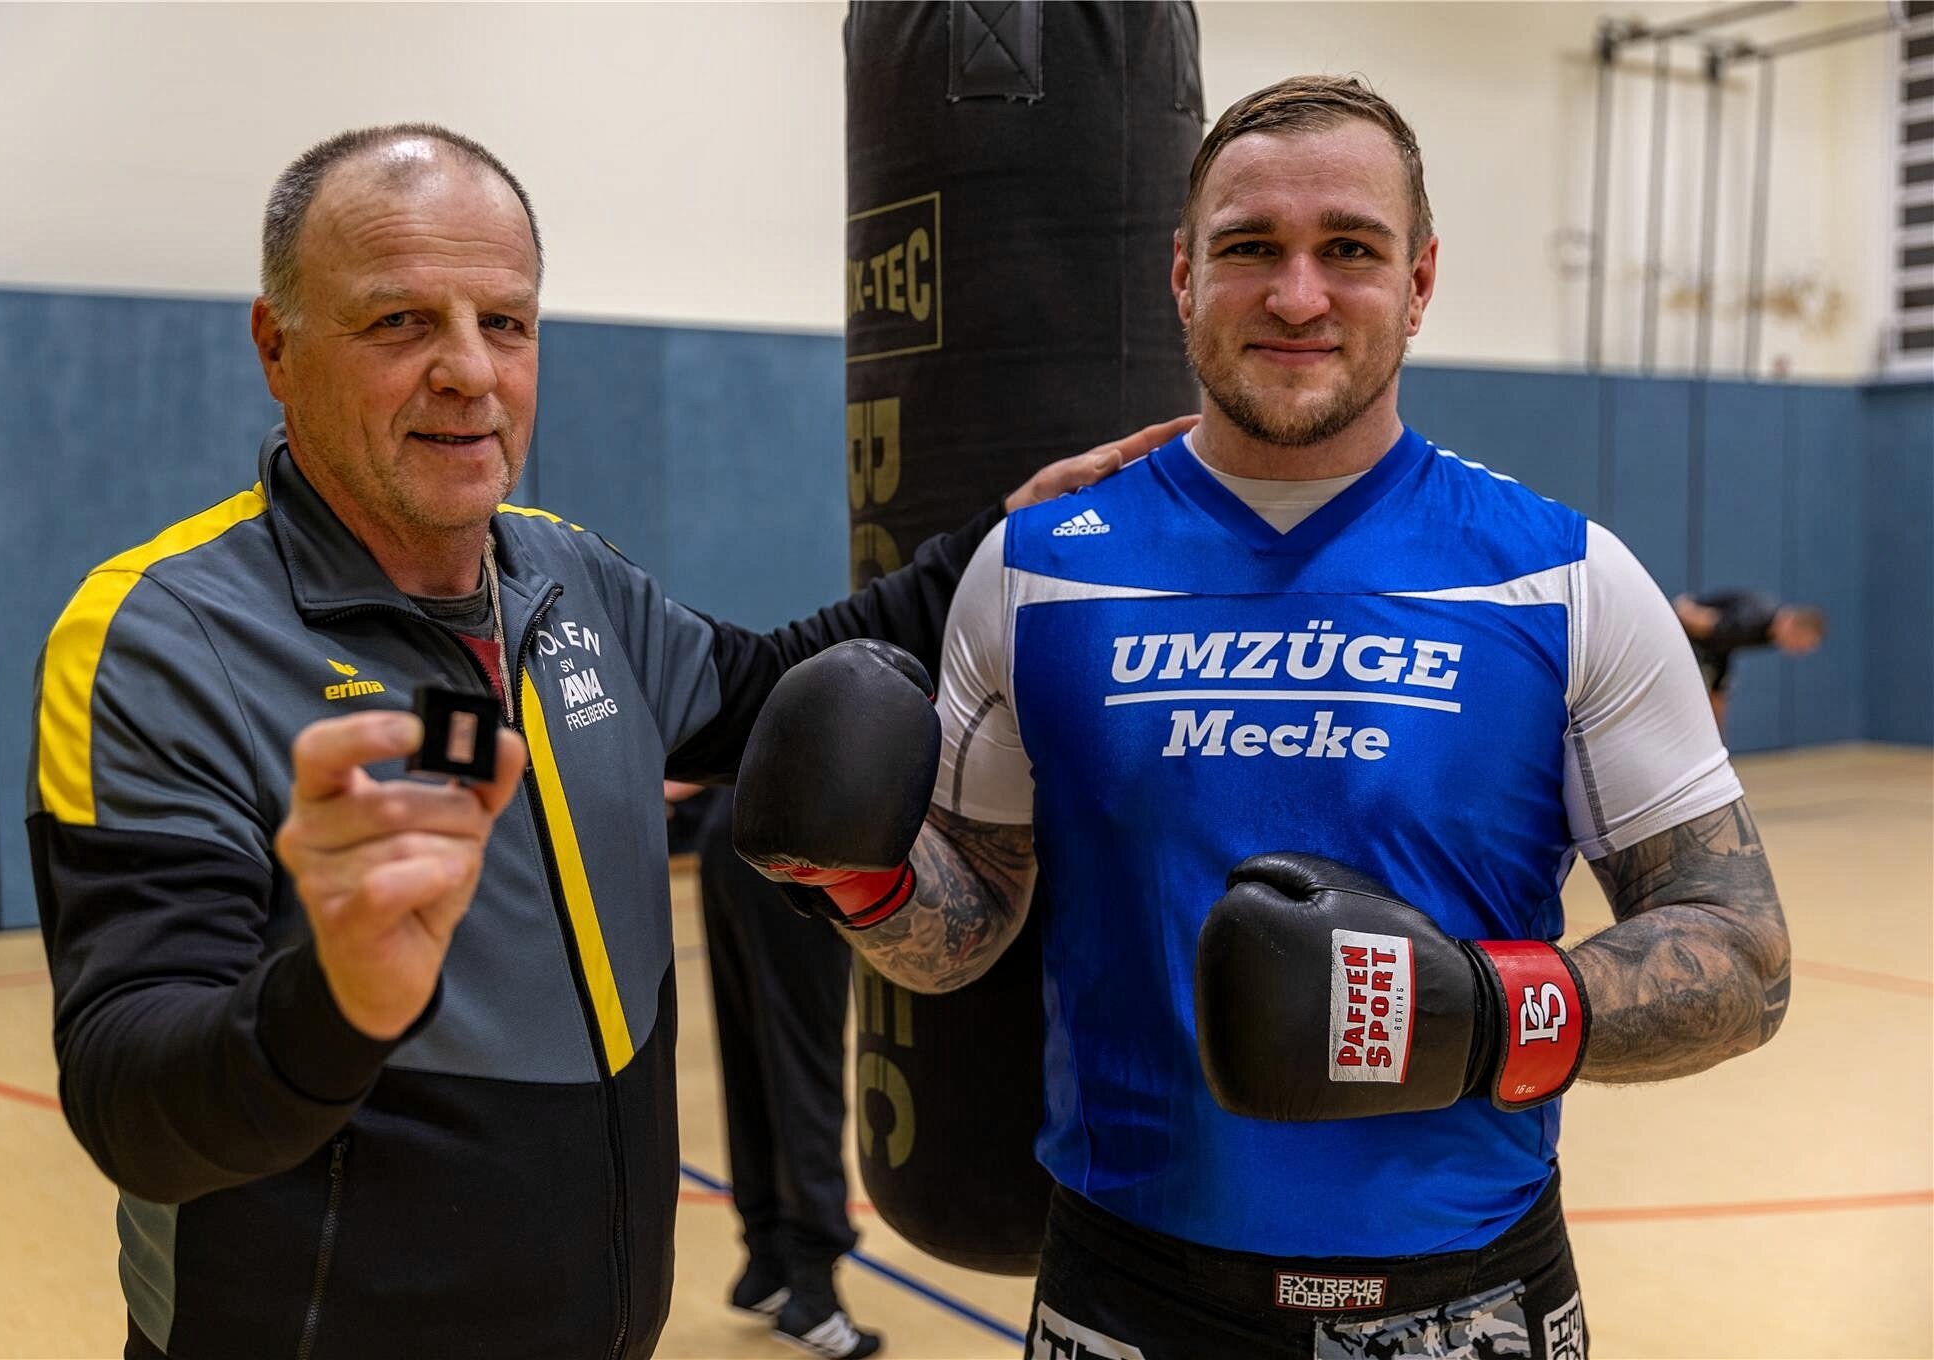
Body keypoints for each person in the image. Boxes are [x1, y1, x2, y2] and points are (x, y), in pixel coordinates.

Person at [26, 122, 1187, 1360]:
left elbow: (764, 692)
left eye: (508, 322)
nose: (471, 371)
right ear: (276, 345)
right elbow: (131, 1099)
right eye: (400, 323)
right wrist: (335, 1000)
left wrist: (992, 542)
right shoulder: (160, 637)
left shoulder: (562, 574)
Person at [733, 77, 1792, 1357]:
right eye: (1250, 249)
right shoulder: (1036, 571)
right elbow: (970, 930)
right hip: (1122, 1290)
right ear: (1183, 274)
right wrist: (866, 885)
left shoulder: (1562, 578)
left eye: (1349, 247)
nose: (1298, 295)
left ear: (1420, 280)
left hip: (1465, 1301)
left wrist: (1479, 1013)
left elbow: (1741, 954)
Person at [694, 787, 878, 1358]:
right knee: (803, 1063)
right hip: (803, 839)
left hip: (730, 825)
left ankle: (768, 1264)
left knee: (750, 1050)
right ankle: (813, 1297)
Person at [1674, 590, 1827, 731]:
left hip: (1719, 650)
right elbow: (1692, 617)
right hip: (1690, 642)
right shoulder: (1754, 617)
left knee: (1719, 697)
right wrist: (1682, 608)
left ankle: (1716, 751)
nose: (1798, 651)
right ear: (1792, 625)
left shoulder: (1772, 633)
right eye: (1801, 645)